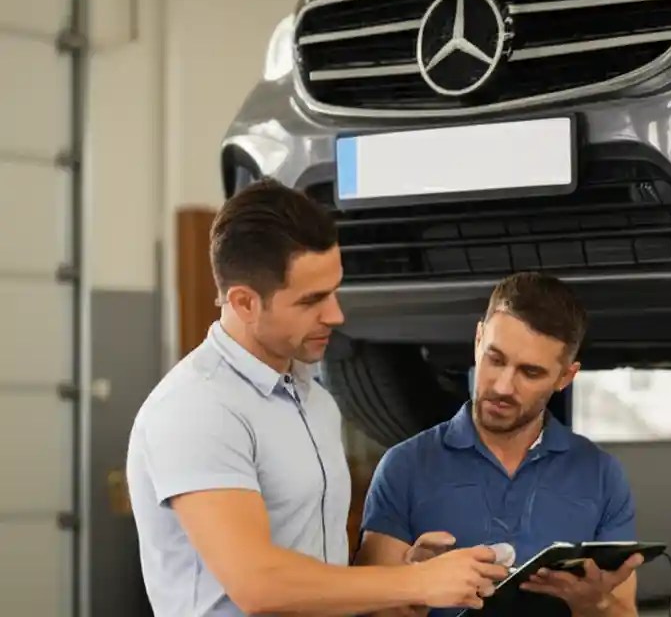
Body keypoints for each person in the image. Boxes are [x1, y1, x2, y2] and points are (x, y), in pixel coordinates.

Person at [125, 178, 508, 616]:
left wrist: (398, 585)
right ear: (245, 302)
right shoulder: (197, 409)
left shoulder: (313, 399)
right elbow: (259, 584)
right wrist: (411, 581)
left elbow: (312, 573)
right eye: (312, 300)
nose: (336, 314)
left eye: (335, 289)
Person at [354, 271, 645, 617]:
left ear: (565, 377)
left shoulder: (600, 474)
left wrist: (591, 604)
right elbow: (370, 611)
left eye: (530, 372)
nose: (503, 386)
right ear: (478, 340)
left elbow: (624, 611)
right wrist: (413, 588)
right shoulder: (405, 466)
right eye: (495, 359)